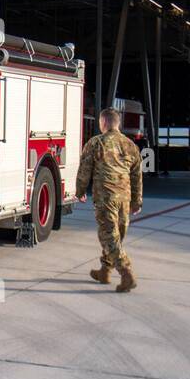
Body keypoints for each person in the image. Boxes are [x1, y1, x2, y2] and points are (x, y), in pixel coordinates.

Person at [75, 107, 143, 292]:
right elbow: (137, 175)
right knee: (115, 236)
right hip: (124, 199)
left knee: (109, 238)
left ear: (103, 122)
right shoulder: (131, 145)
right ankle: (105, 271)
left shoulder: (96, 143)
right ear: (117, 123)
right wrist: (137, 201)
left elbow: (84, 170)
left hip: (106, 198)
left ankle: (126, 273)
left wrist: (80, 190)